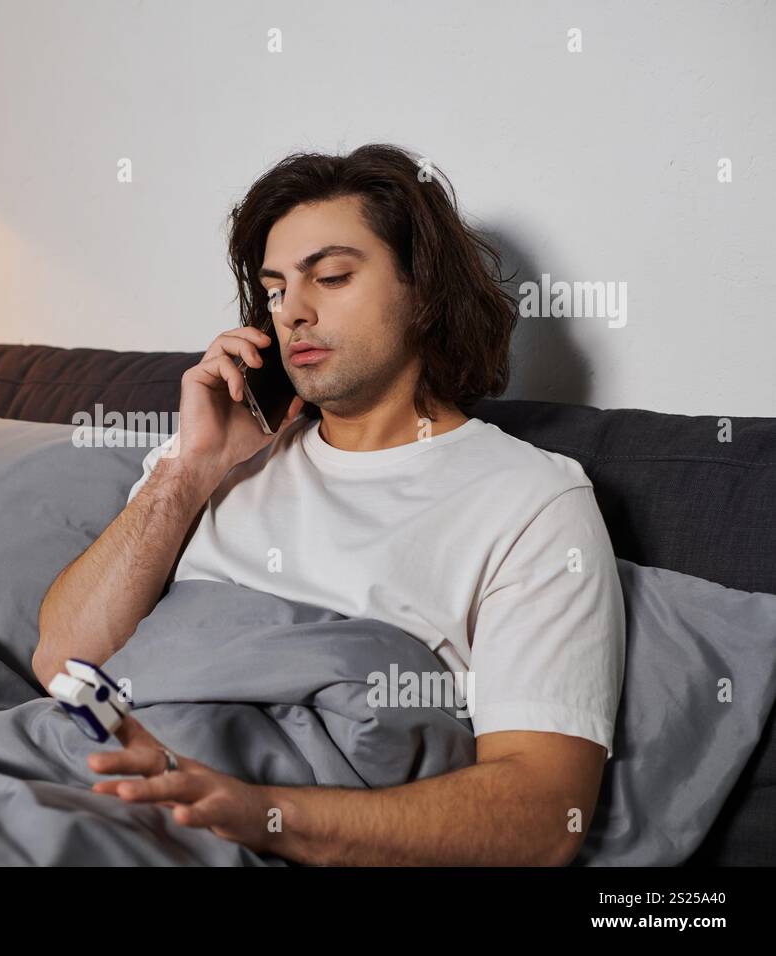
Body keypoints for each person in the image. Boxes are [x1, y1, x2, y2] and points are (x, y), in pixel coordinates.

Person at [32, 145, 626, 866]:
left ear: (424, 290)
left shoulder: (531, 502)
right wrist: (189, 469)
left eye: (333, 277)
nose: (294, 312)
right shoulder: (211, 457)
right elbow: (63, 659)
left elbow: (544, 815)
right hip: (78, 777)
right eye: (275, 288)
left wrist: (262, 813)